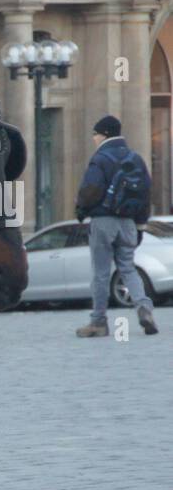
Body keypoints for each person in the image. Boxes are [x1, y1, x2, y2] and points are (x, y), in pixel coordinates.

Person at [74, 115, 158, 337]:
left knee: (101, 273)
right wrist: (140, 226)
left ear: (105, 134)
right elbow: (145, 193)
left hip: (103, 221)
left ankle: (98, 321)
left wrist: (81, 210)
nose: (93, 138)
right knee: (128, 269)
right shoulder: (135, 158)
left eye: (95, 134)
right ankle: (144, 308)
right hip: (129, 222)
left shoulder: (100, 158)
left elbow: (90, 189)